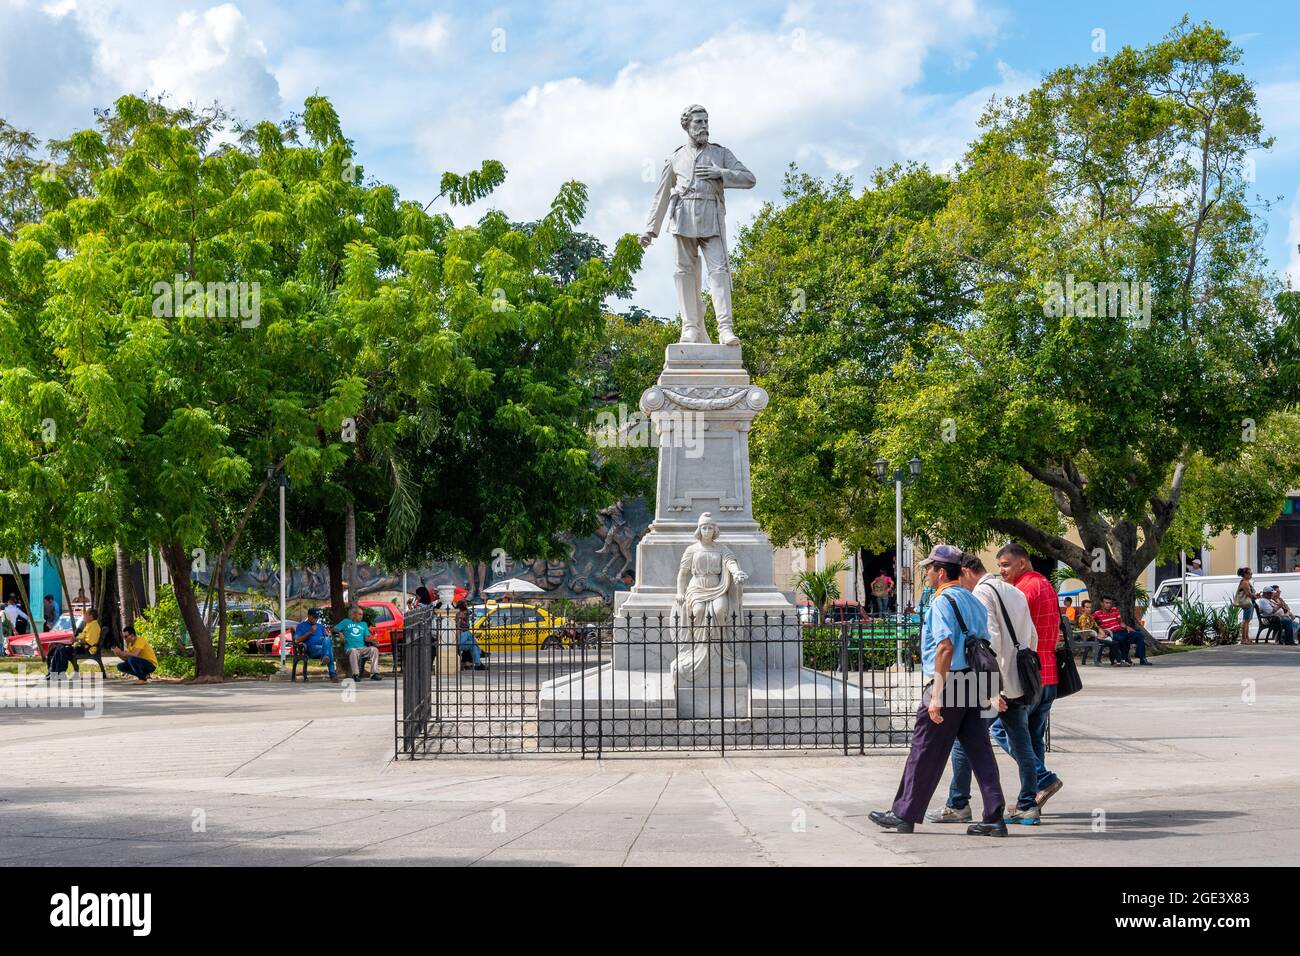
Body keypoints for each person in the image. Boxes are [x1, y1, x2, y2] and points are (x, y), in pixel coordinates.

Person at [870, 545, 1006, 837]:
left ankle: (904, 813)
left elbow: (945, 646)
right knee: (980, 751)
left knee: (924, 750)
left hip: (950, 684)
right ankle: (995, 817)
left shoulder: (942, 602)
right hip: (974, 683)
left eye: (929, 568)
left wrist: (936, 696)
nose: (927, 574)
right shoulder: (973, 601)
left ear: (941, 572)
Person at [931, 553, 1043, 825]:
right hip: (1016, 681)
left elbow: (987, 644)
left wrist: (993, 689)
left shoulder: (981, 593)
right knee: (1023, 744)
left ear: (968, 571)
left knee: (964, 742)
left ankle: (958, 803)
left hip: (993, 685)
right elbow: (1031, 637)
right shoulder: (1014, 592)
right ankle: (1028, 804)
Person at [639, 104, 756, 346]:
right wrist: (651, 229)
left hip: (711, 216)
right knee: (684, 273)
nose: (704, 127)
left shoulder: (720, 153)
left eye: (706, 122)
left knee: (719, 272)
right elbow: (661, 195)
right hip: (682, 218)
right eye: (698, 122)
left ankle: (725, 328)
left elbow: (749, 179)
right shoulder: (675, 157)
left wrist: (721, 173)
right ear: (687, 126)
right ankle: (689, 327)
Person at [996, 543, 1063, 810]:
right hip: (1049, 674)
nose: (1001, 571)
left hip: (1028, 677)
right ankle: (1031, 799)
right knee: (1034, 739)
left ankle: (1043, 779)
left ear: (1022, 563)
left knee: (1001, 729)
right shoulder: (1046, 585)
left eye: (1005, 565)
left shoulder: (1021, 591)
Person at [1093, 597, 1151, 665]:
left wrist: (1126, 627)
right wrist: (1099, 629)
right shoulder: (1097, 614)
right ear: (1102, 603)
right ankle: (1124, 658)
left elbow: (1120, 622)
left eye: (1110, 603)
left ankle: (1142, 658)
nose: (1109, 605)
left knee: (1139, 635)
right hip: (1111, 633)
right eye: (1106, 603)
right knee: (1122, 638)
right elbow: (1091, 623)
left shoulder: (1114, 610)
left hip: (1121, 631)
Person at [47, 608, 100, 678]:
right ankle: (53, 673)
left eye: (86, 614)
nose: (84, 616)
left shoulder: (93, 626)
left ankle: (59, 674)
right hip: (81, 647)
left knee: (62, 651)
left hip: (86, 649)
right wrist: (75, 639)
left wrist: (76, 640)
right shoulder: (89, 625)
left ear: (91, 616)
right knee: (58, 649)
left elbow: (89, 642)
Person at [333, 606, 381, 681]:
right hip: (350, 648)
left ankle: (374, 673)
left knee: (374, 649)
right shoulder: (346, 622)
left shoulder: (364, 624)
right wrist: (340, 633)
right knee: (353, 651)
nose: (362, 616)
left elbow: (367, 638)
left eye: (362, 614)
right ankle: (355, 674)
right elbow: (334, 629)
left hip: (362, 648)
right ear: (354, 614)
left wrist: (373, 641)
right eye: (360, 614)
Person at [293, 610, 337, 680]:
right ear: (309, 616)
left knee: (327, 639)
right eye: (314, 617)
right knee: (329, 651)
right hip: (311, 649)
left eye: (317, 617)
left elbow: (326, 637)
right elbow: (296, 640)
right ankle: (332, 674)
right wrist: (310, 632)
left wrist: (324, 638)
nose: (316, 619)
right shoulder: (301, 626)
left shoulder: (320, 626)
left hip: (322, 647)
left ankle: (325, 657)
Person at [455, 599, 486, 670]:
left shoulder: (465, 616)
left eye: (464, 613)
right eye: (462, 613)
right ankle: (481, 651)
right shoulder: (455, 618)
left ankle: (478, 664)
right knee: (468, 633)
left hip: (463, 640)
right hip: (457, 640)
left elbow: (470, 612)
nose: (463, 615)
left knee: (473, 644)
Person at [1235, 567, 1258, 645]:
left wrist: (1255, 596)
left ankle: (1246, 638)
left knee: (1247, 621)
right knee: (1246, 622)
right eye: (1250, 573)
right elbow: (1248, 594)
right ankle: (1244, 639)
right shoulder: (1245, 582)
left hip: (1249, 603)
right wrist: (1255, 596)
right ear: (1245, 574)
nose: (1251, 575)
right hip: (1247, 604)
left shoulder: (1247, 582)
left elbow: (1250, 593)